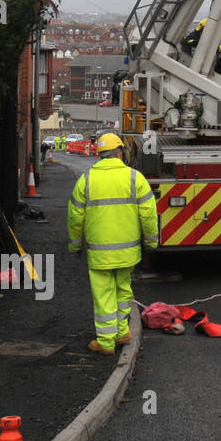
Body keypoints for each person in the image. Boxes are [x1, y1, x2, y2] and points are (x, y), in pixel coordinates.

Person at [67, 132, 159, 354]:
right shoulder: (135, 178)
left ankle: (106, 343)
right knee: (123, 291)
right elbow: (148, 214)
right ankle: (121, 331)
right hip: (127, 252)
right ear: (120, 153)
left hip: (100, 253)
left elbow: (75, 217)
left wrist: (75, 246)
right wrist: (151, 242)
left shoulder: (86, 180)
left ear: (99, 155)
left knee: (104, 295)